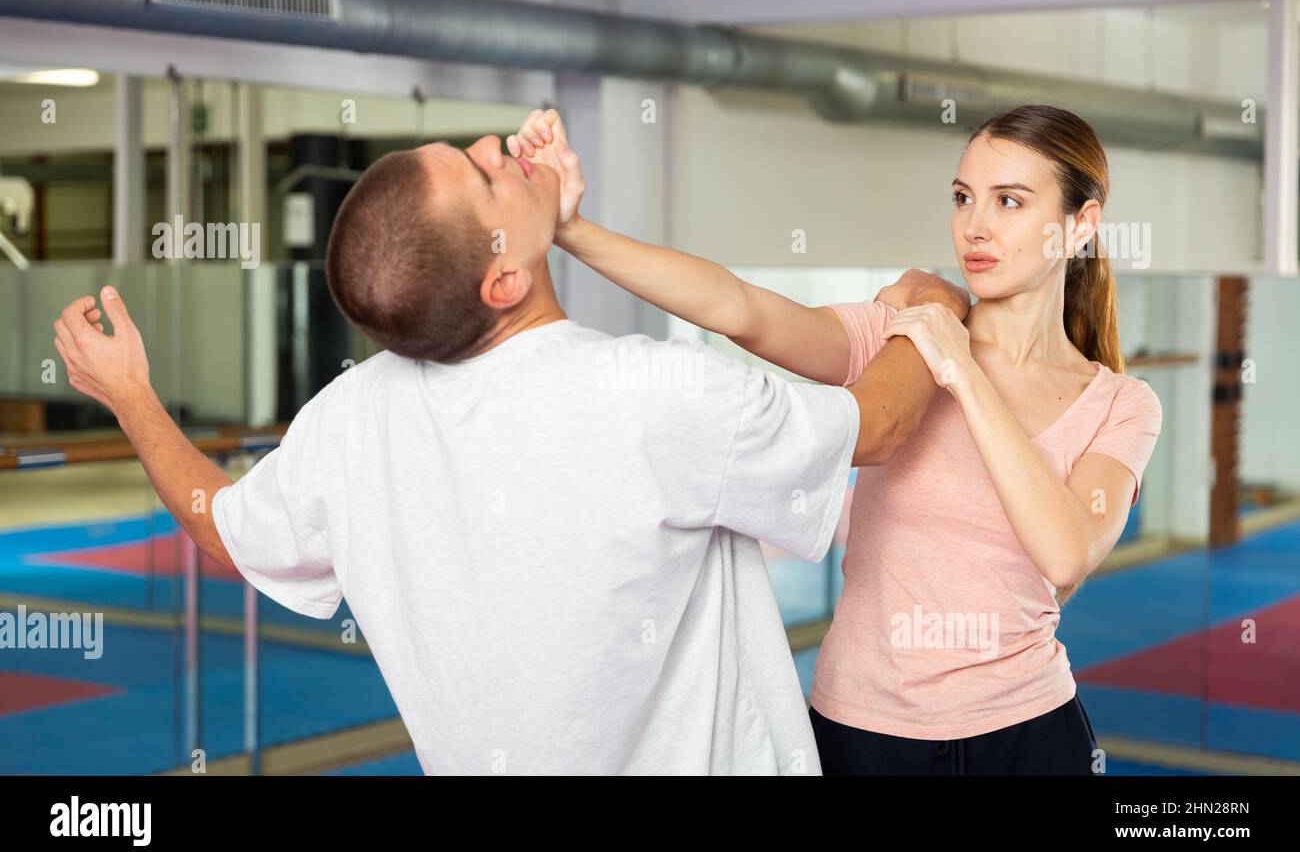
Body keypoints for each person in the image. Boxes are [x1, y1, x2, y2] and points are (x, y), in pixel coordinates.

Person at [51, 111, 968, 774]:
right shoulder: (655, 393)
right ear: (499, 281)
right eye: (488, 173)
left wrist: (132, 396)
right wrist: (929, 313)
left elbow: (226, 525)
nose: (500, 147)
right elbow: (879, 423)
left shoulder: (350, 417)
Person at [512, 104, 1162, 775]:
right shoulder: (899, 337)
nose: (975, 226)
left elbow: (1066, 552)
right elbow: (741, 307)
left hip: (1030, 728)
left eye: (1010, 202)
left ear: (1079, 225)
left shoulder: (1120, 403)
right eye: (964, 197)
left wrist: (962, 368)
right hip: (865, 728)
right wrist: (572, 230)